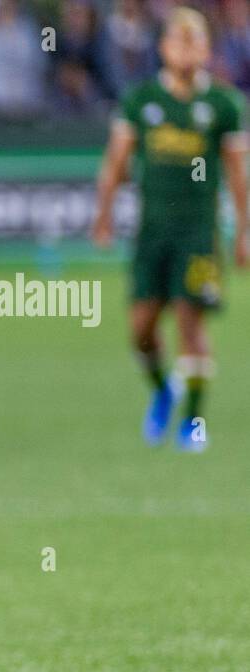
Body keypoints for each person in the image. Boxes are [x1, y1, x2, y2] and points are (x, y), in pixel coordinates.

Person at [94, 6, 249, 451]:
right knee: (141, 329)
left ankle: (194, 424)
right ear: (162, 48)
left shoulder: (223, 105)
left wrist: (243, 232)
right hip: (152, 235)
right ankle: (163, 388)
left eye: (195, 42)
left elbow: (239, 175)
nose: (186, 50)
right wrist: (102, 216)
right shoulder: (141, 101)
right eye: (178, 41)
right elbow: (115, 163)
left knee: (191, 324)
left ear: (206, 49)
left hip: (198, 237)